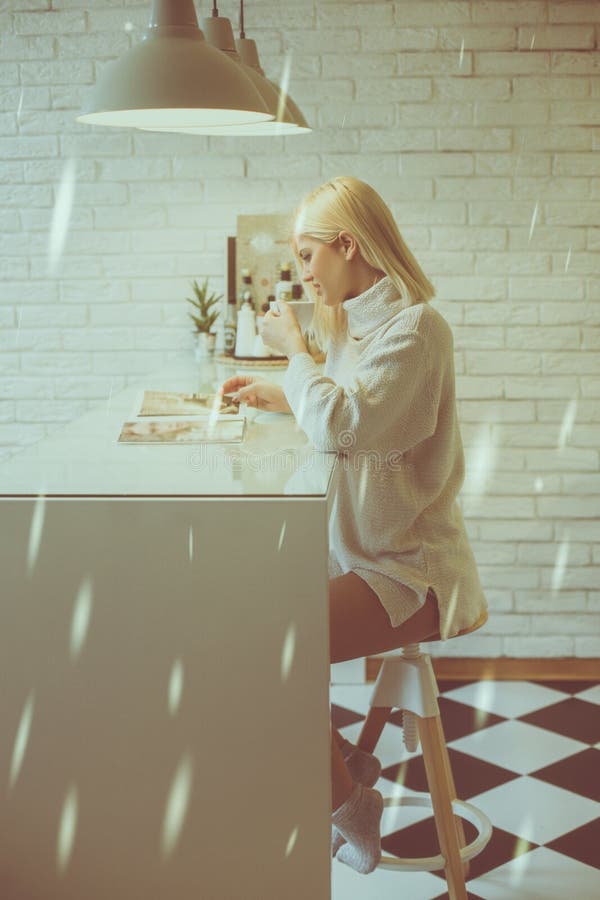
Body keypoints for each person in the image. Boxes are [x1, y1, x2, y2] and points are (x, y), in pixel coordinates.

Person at [219, 176, 487, 875]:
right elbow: (346, 403)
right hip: (360, 559)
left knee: (267, 647)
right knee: (250, 624)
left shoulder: (419, 329)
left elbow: (344, 425)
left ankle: (346, 801)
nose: (303, 273)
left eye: (309, 255)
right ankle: (344, 765)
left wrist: (293, 353)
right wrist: (277, 393)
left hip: (408, 574)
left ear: (349, 243)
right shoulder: (353, 323)